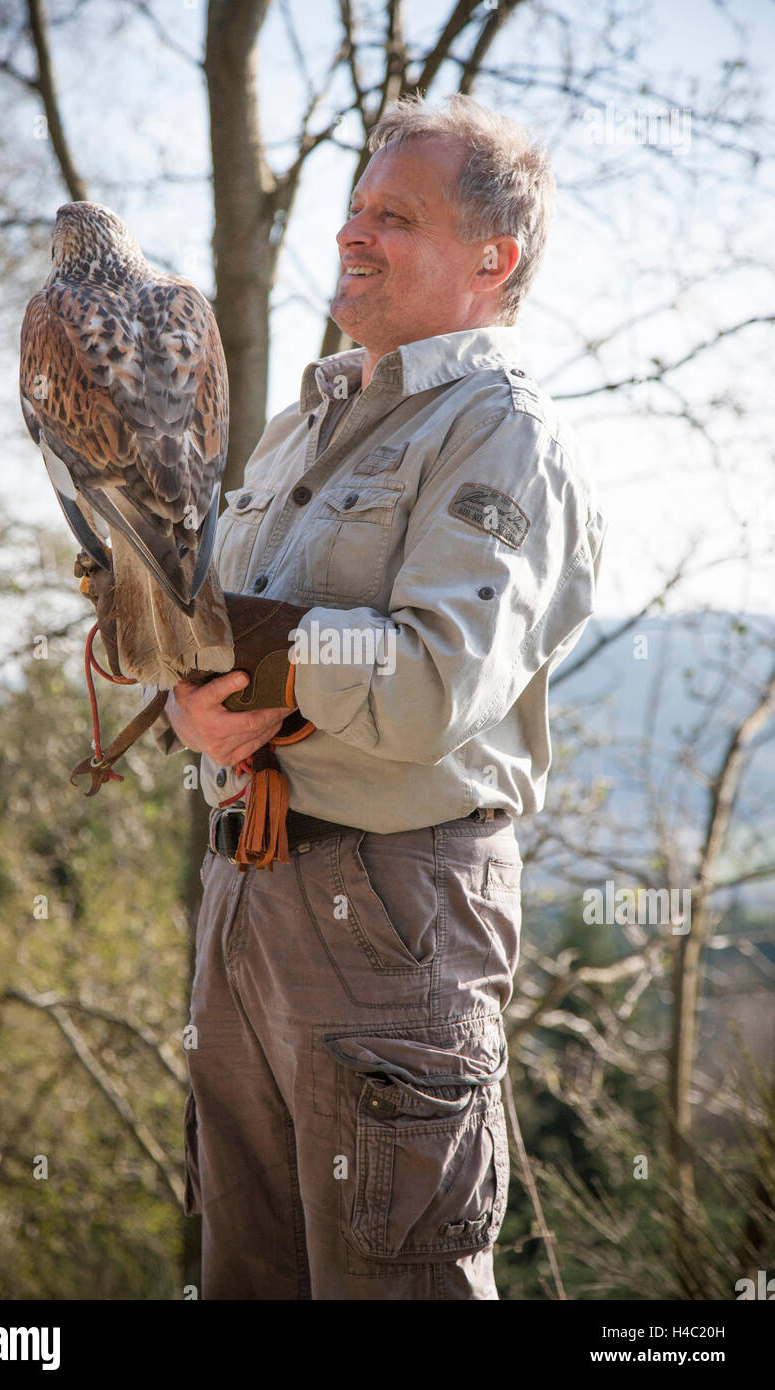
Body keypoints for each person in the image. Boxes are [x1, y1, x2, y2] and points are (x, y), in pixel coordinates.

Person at [159, 94, 606, 1300]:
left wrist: (233, 658)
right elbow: (199, 627)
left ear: (489, 258)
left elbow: (426, 684)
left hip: (395, 908)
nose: (351, 231)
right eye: (354, 205)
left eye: (392, 215)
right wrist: (177, 702)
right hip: (239, 894)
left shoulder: (503, 433)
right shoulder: (299, 427)